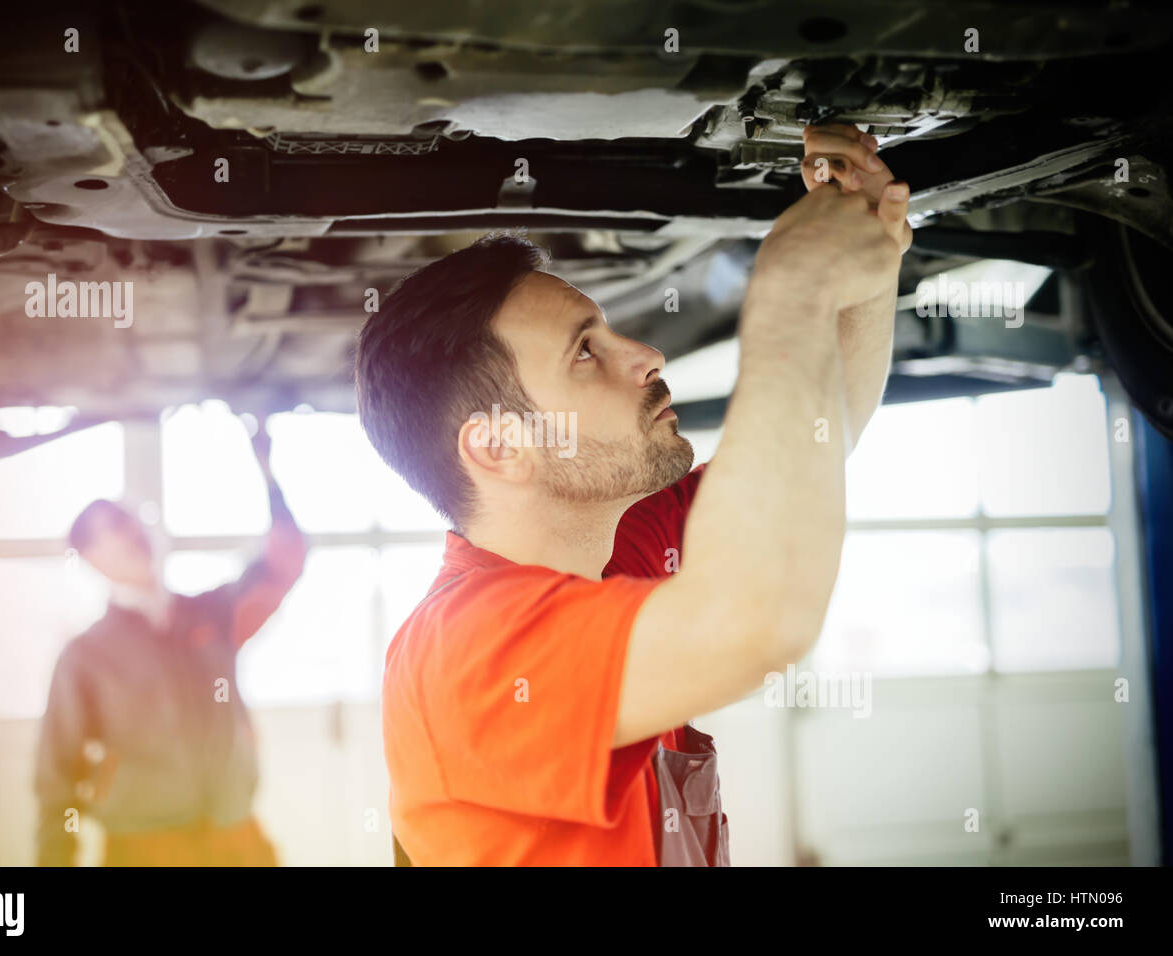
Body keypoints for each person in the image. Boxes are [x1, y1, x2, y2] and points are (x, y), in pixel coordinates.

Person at [355, 124, 912, 865]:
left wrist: (866, 265)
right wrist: (791, 283)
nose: (647, 356)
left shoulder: (617, 548)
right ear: (498, 446)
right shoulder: (467, 651)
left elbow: (815, 443)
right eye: (587, 353)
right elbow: (759, 625)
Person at [34, 418, 308, 866]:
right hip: (145, 849)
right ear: (89, 559)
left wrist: (268, 474)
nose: (127, 533)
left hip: (236, 839)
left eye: (127, 520)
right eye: (109, 531)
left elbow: (282, 566)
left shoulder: (214, 615)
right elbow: (56, 776)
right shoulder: (86, 656)